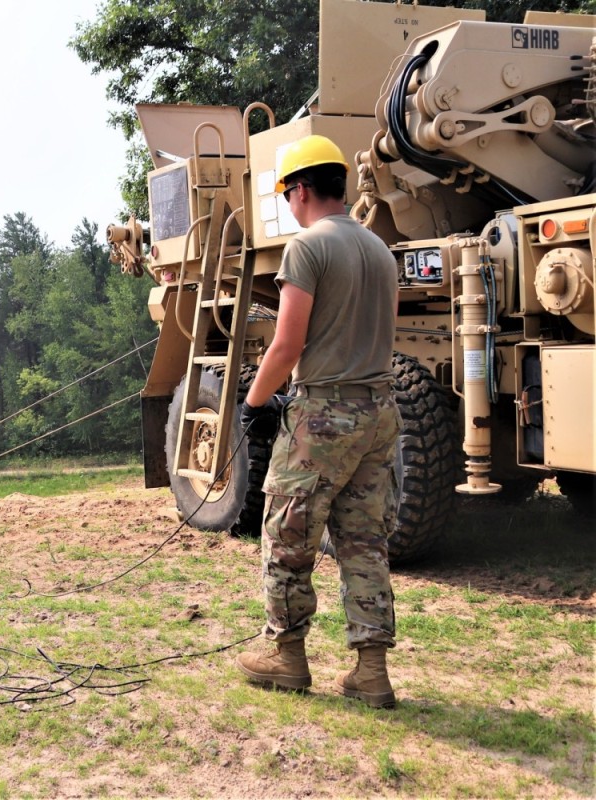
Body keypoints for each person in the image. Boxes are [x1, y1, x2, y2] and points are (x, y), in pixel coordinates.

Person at [234, 134, 401, 709]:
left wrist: (253, 404)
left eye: (285, 194)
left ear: (299, 189)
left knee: (288, 533)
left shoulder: (306, 247)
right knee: (363, 540)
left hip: (324, 414)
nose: (287, 204)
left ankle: (286, 654)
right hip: (380, 411)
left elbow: (286, 345)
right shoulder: (379, 249)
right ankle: (371, 670)